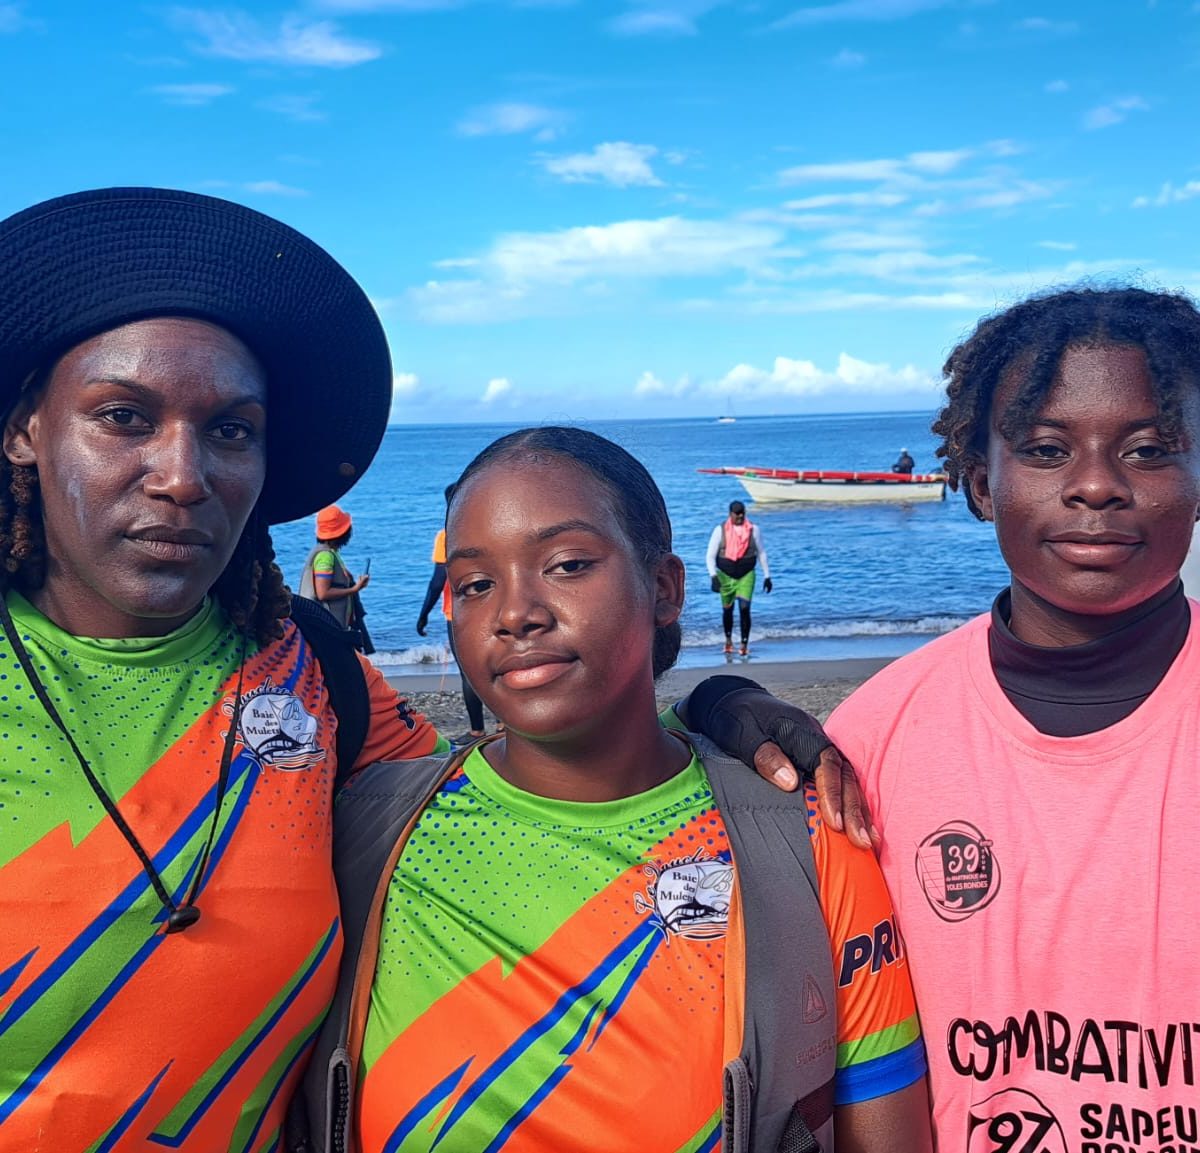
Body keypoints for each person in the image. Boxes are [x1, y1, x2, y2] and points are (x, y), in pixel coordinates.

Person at [297, 426, 933, 1153]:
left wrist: (719, 697)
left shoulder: (807, 839)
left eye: (567, 565)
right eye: (475, 584)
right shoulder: (364, 835)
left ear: (663, 587)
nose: (515, 613)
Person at [0, 186, 448, 1151]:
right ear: (24, 431)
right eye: (123, 416)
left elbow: (532, 810)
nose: (183, 475)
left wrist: (723, 708)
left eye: (230, 430)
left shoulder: (320, 681)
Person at [702, 285, 1200, 1151]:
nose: (1095, 485)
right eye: (1046, 449)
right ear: (978, 483)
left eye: (1149, 449)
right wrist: (717, 705)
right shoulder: (872, 738)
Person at [416, 482, 488, 742]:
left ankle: (477, 730)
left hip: (460, 611)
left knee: (469, 672)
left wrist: (423, 614)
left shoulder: (447, 536)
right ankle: (504, 724)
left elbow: (438, 582)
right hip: (492, 606)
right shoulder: (488, 529)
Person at [297, 502, 374, 652]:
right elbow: (323, 592)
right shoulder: (326, 556)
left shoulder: (329, 553)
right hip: (329, 628)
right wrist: (354, 589)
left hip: (331, 626)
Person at [706, 499, 772, 656]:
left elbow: (761, 553)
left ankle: (744, 644)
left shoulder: (753, 530)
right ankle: (728, 641)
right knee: (727, 610)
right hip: (725, 575)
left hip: (746, 575)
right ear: (730, 514)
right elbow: (710, 556)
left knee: (744, 608)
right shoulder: (719, 530)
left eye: (742, 513)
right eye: (737, 513)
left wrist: (767, 576)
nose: (740, 516)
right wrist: (713, 576)